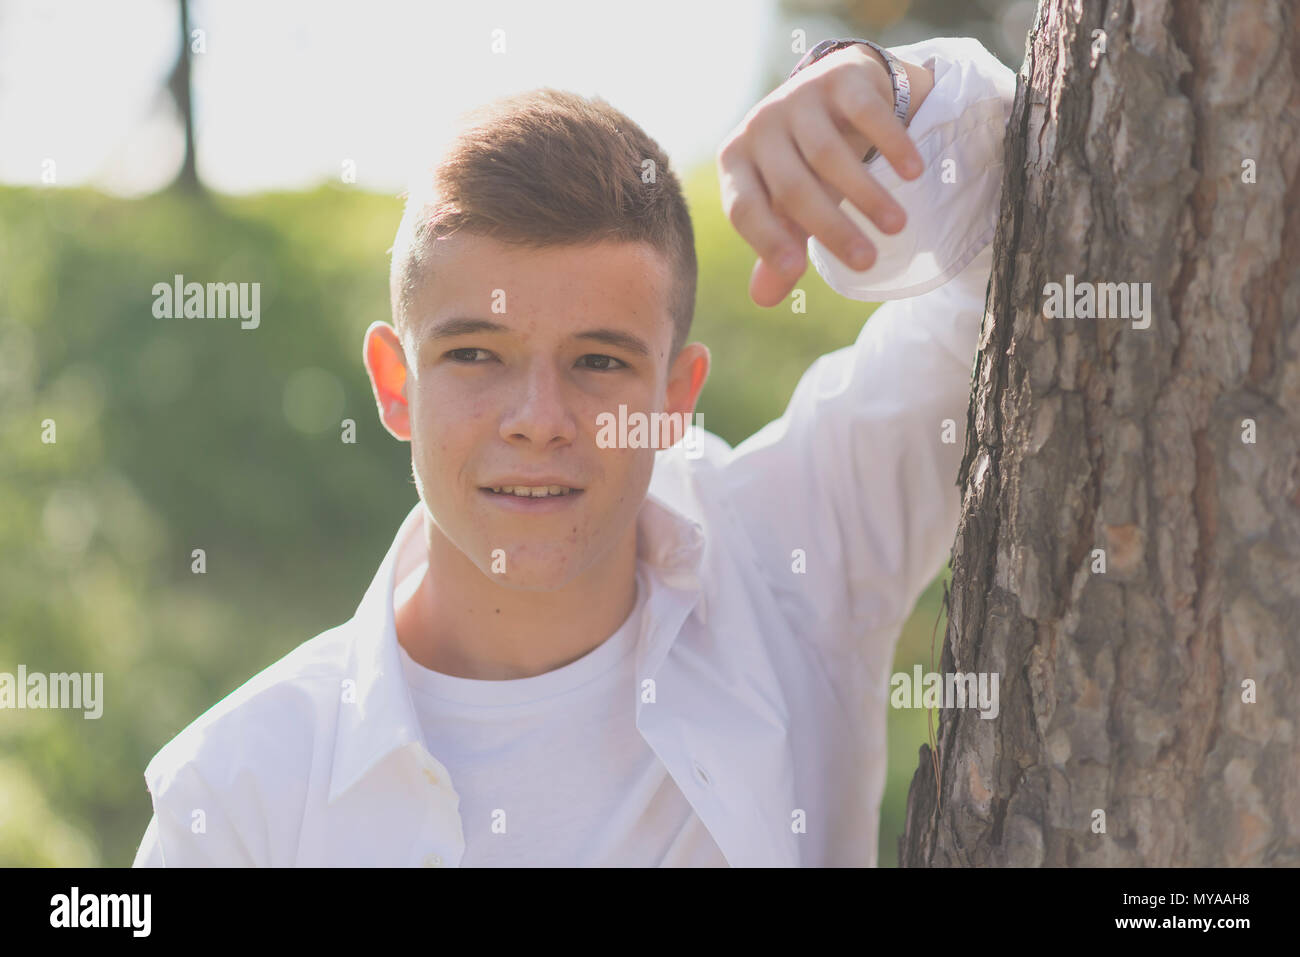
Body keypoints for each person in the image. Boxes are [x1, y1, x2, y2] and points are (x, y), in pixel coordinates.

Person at [133, 34, 1015, 867]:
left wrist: (887, 90)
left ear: (674, 400)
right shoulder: (237, 797)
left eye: (599, 360)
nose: (539, 418)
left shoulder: (791, 565)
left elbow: (1003, 281)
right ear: (397, 385)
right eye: (475, 353)